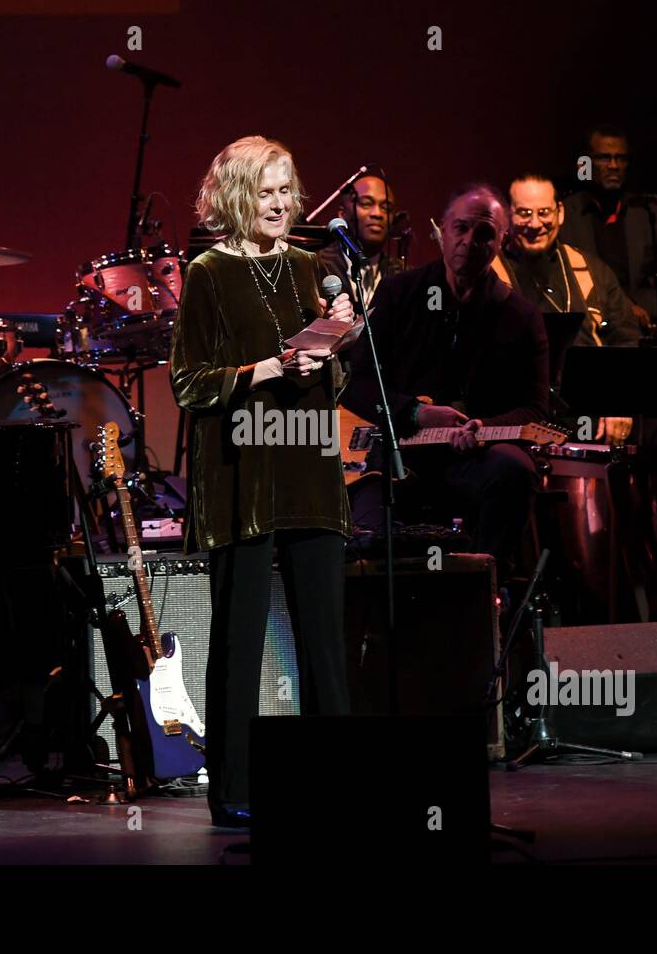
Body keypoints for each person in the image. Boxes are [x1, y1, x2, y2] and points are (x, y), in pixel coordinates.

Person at [169, 136, 355, 828]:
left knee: (324, 638)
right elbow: (188, 383)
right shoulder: (208, 273)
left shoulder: (311, 267)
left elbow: (340, 380)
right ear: (235, 198)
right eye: (264, 192)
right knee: (239, 639)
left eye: (284, 191)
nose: (278, 204)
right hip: (243, 471)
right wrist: (268, 369)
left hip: (308, 464)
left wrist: (327, 354)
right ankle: (235, 789)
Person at [343, 182, 548, 581]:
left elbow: (536, 409)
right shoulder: (399, 293)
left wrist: (482, 428)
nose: (470, 241)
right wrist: (415, 413)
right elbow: (359, 384)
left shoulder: (521, 316)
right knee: (368, 545)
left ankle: (484, 591)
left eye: (484, 233)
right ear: (442, 231)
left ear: (502, 240)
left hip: (470, 458)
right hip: (395, 455)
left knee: (516, 472)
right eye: (461, 228)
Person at [495, 173, 640, 445]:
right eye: (524, 213)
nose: (535, 224)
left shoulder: (591, 270)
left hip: (592, 419)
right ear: (506, 215)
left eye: (544, 212)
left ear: (560, 213)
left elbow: (626, 340)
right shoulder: (489, 273)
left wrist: (618, 403)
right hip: (515, 423)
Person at [561, 125, 657, 329]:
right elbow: (565, 283)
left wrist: (634, 310)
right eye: (604, 158)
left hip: (641, 327)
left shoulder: (648, 213)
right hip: (586, 327)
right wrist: (622, 308)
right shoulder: (566, 215)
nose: (614, 165)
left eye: (621, 158)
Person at [317, 168, 404, 304]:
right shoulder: (317, 265)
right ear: (343, 214)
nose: (377, 213)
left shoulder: (402, 273)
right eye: (366, 204)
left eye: (386, 208)